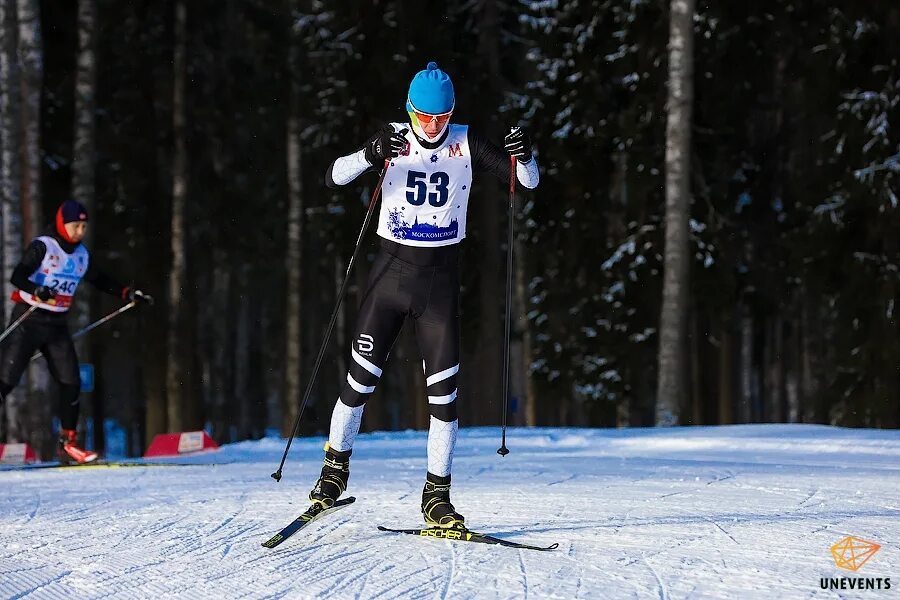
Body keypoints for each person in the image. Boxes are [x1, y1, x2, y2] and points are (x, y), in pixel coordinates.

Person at [309, 61, 540, 529]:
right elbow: (334, 175)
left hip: (438, 286)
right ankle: (333, 474)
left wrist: (527, 156)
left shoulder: (468, 141)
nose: (432, 127)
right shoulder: (392, 136)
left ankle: (437, 496)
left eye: (441, 117)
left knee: (445, 397)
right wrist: (371, 154)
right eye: (423, 117)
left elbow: (528, 182)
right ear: (410, 111)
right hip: (389, 280)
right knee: (358, 384)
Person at [0, 200, 152, 464]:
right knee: (6, 381)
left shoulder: (81, 254)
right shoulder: (44, 246)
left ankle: (68, 444)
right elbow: (18, 275)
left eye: (83, 226)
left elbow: (100, 279)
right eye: (75, 226)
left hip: (56, 326)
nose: (80, 231)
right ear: (62, 223)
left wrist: (127, 293)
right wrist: (37, 290)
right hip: (29, 320)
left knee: (71, 382)